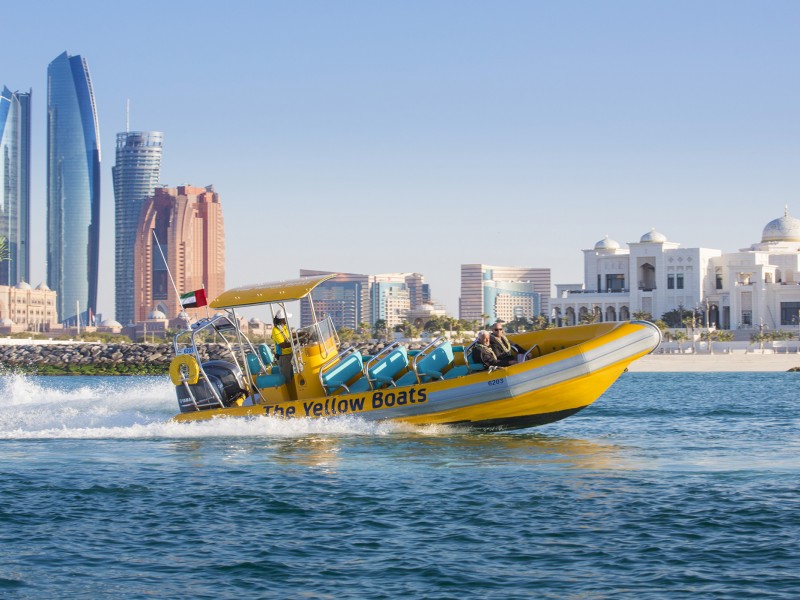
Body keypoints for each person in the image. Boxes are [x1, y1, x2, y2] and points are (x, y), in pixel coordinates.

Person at [271, 308, 294, 381]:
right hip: (283, 357)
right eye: (285, 318)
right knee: (286, 378)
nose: (287, 320)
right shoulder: (276, 330)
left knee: (293, 376)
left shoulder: (284, 327)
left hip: (290, 354)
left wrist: (301, 334)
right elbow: (283, 345)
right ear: (282, 319)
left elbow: (290, 336)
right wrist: (296, 342)